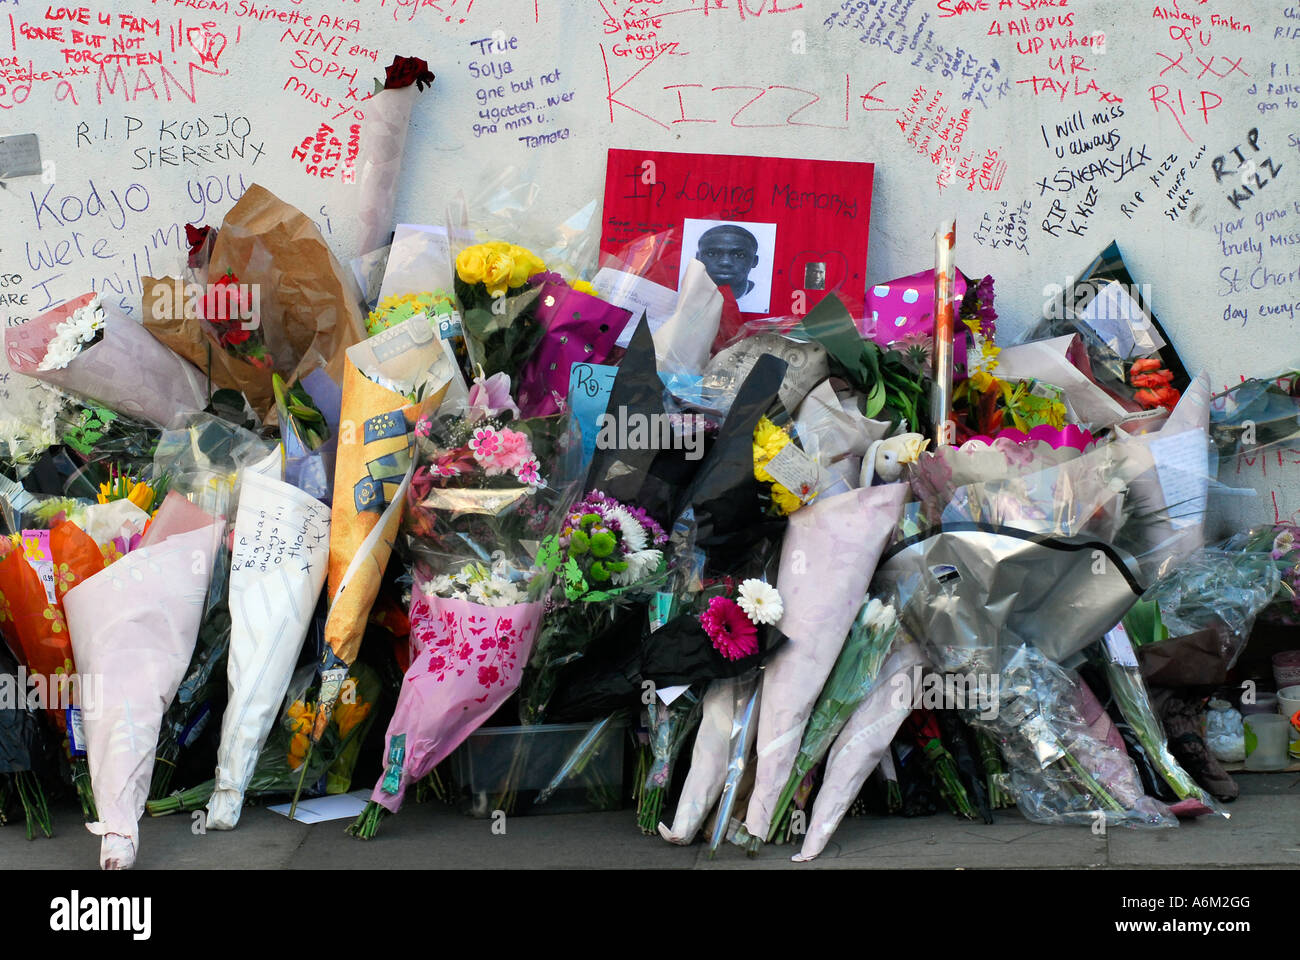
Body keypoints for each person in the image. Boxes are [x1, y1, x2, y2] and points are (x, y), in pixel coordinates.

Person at [695, 224, 760, 304]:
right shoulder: (685, 294)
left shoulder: (762, 298)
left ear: (755, 261)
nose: (725, 262)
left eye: (739, 255)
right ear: (698, 258)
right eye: (712, 253)